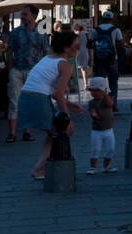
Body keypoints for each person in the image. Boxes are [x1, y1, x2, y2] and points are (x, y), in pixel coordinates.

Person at [19, 30, 86, 180]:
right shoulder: (65, 65)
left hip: (26, 97)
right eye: (76, 46)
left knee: (53, 133)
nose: (79, 49)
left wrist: (68, 104)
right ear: (66, 48)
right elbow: (57, 94)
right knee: (60, 131)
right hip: (37, 99)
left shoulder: (48, 58)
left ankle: (41, 168)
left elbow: (49, 88)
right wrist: (67, 119)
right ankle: (40, 169)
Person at [5, 5, 46, 142]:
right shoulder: (15, 32)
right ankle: (12, 133)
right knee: (14, 101)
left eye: (25, 14)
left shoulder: (41, 33)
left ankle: (27, 131)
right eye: (22, 14)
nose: (22, 16)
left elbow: (45, 52)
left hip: (33, 72)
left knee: (29, 102)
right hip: (17, 70)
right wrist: (10, 69)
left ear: (34, 16)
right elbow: (10, 51)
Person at [90, 11, 123, 110]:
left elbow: (91, 44)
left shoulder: (95, 30)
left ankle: (100, 104)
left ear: (102, 18)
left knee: (100, 83)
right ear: (112, 19)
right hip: (112, 59)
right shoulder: (116, 30)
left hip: (99, 60)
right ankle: (113, 104)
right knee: (113, 83)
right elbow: (120, 43)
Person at [85, 76, 118, 175]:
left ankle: (106, 166)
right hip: (96, 131)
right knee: (95, 149)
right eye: (92, 90)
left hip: (109, 130)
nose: (94, 93)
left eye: (97, 90)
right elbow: (92, 110)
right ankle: (92, 167)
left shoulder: (107, 99)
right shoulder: (92, 102)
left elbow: (110, 104)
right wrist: (93, 113)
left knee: (110, 149)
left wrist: (105, 94)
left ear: (103, 90)